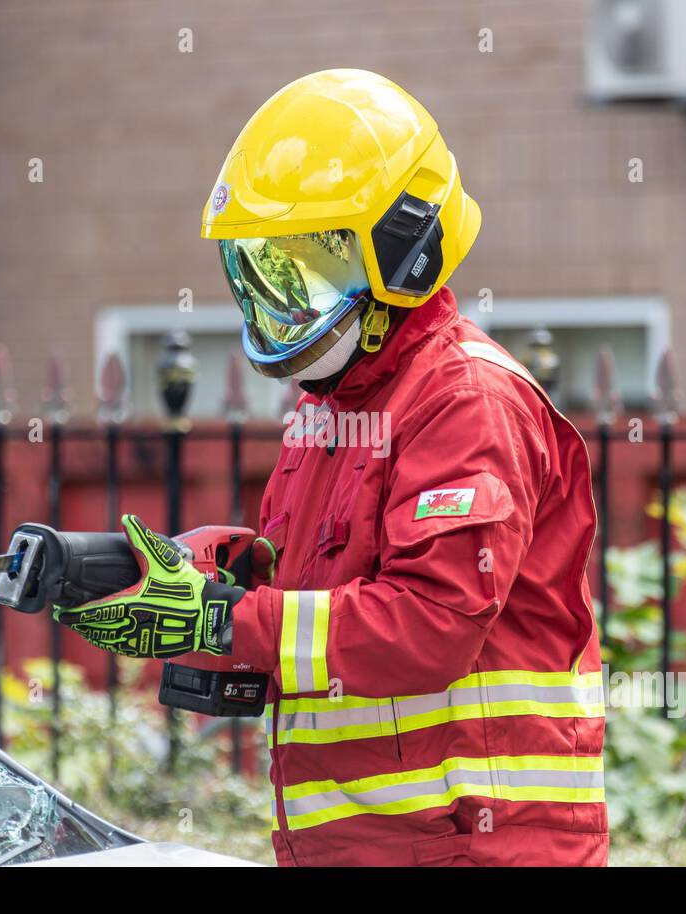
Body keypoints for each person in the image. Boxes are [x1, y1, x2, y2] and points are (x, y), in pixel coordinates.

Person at [55, 69, 606, 867]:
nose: (278, 304)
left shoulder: (465, 401)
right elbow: (311, 625)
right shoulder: (333, 411)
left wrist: (218, 617)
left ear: (404, 248)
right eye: (260, 274)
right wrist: (174, 581)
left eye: (305, 271)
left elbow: (428, 626)